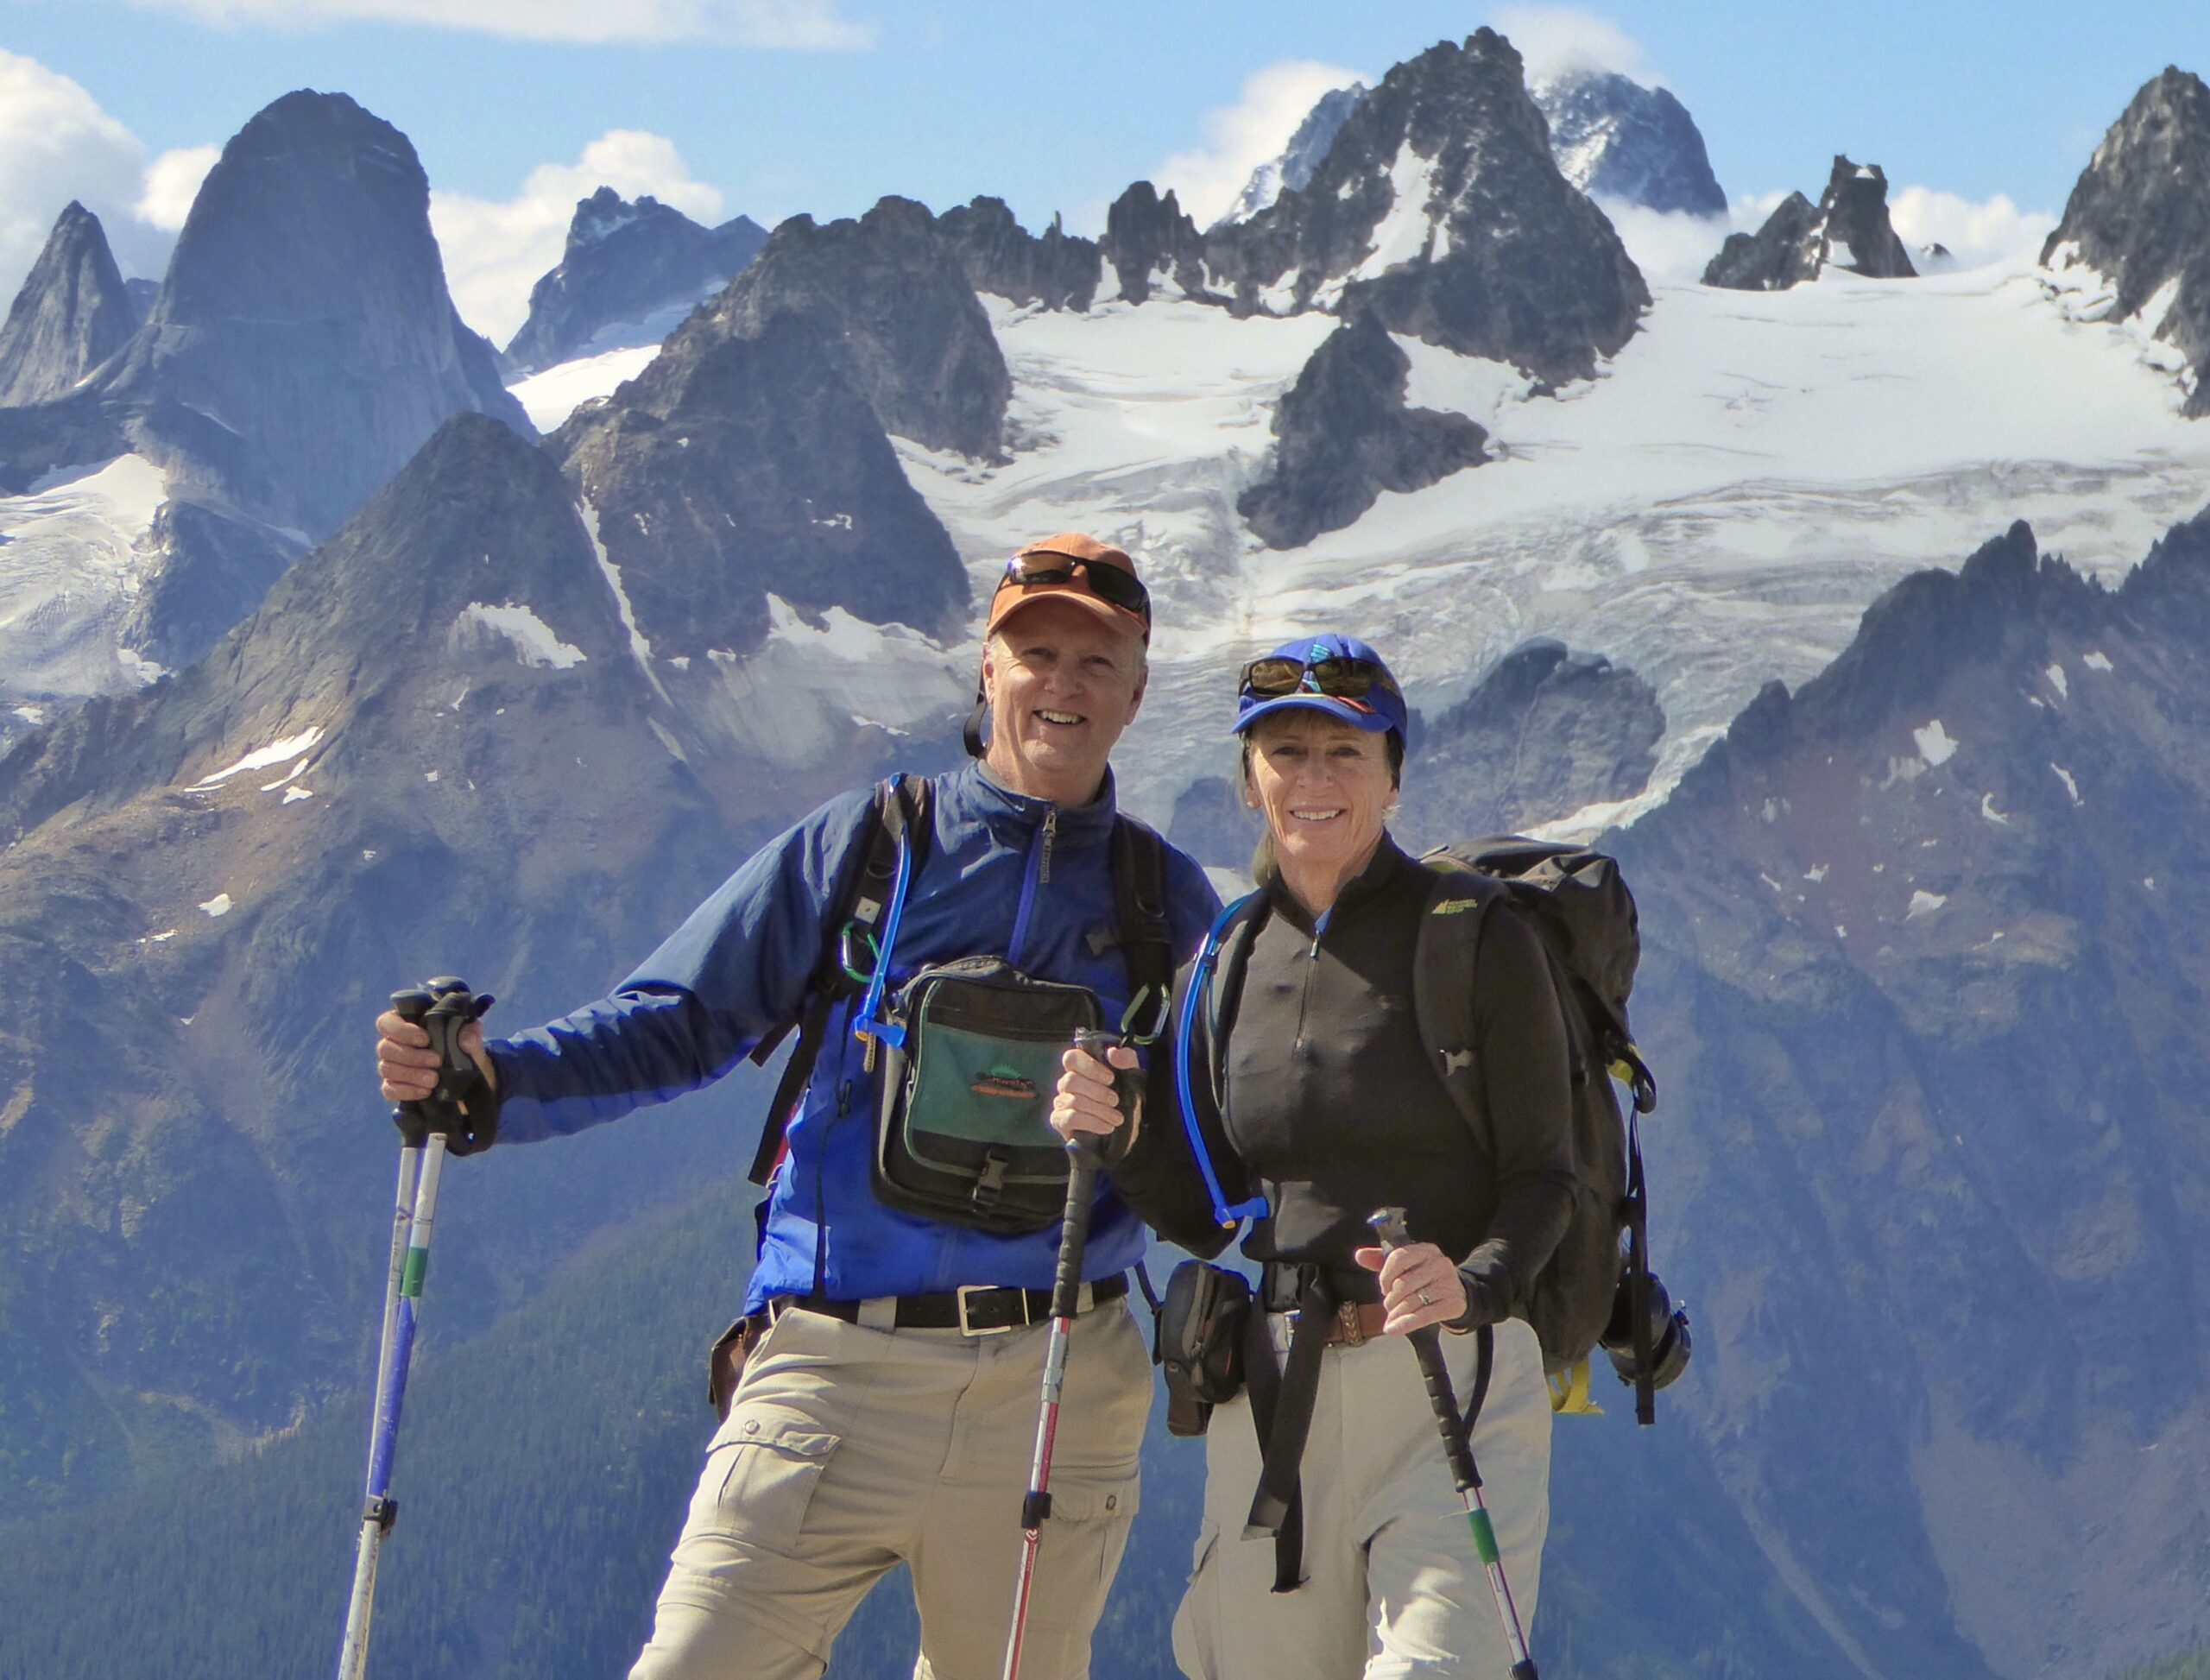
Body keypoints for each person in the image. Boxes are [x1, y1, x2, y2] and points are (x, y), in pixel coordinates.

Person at [376, 534, 1220, 1680]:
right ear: (987, 668)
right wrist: (490, 1084)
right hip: (828, 1365)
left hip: (1059, 1380)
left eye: (1096, 660)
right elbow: (679, 1020)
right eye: (1036, 653)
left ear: (1136, 692)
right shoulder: (871, 846)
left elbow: (1222, 1146)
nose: (1061, 683)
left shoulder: (1169, 903)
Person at [1051, 632, 1576, 1680]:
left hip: (1451, 1372)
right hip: (1273, 1384)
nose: (1314, 778)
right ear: (1249, 780)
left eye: (1345, 751)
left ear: (1391, 775)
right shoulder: (1224, 959)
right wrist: (1116, 1135)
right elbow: (1205, 1214)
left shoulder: (1480, 935)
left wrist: (1472, 1282)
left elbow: (1545, 1177)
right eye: (1285, 751)